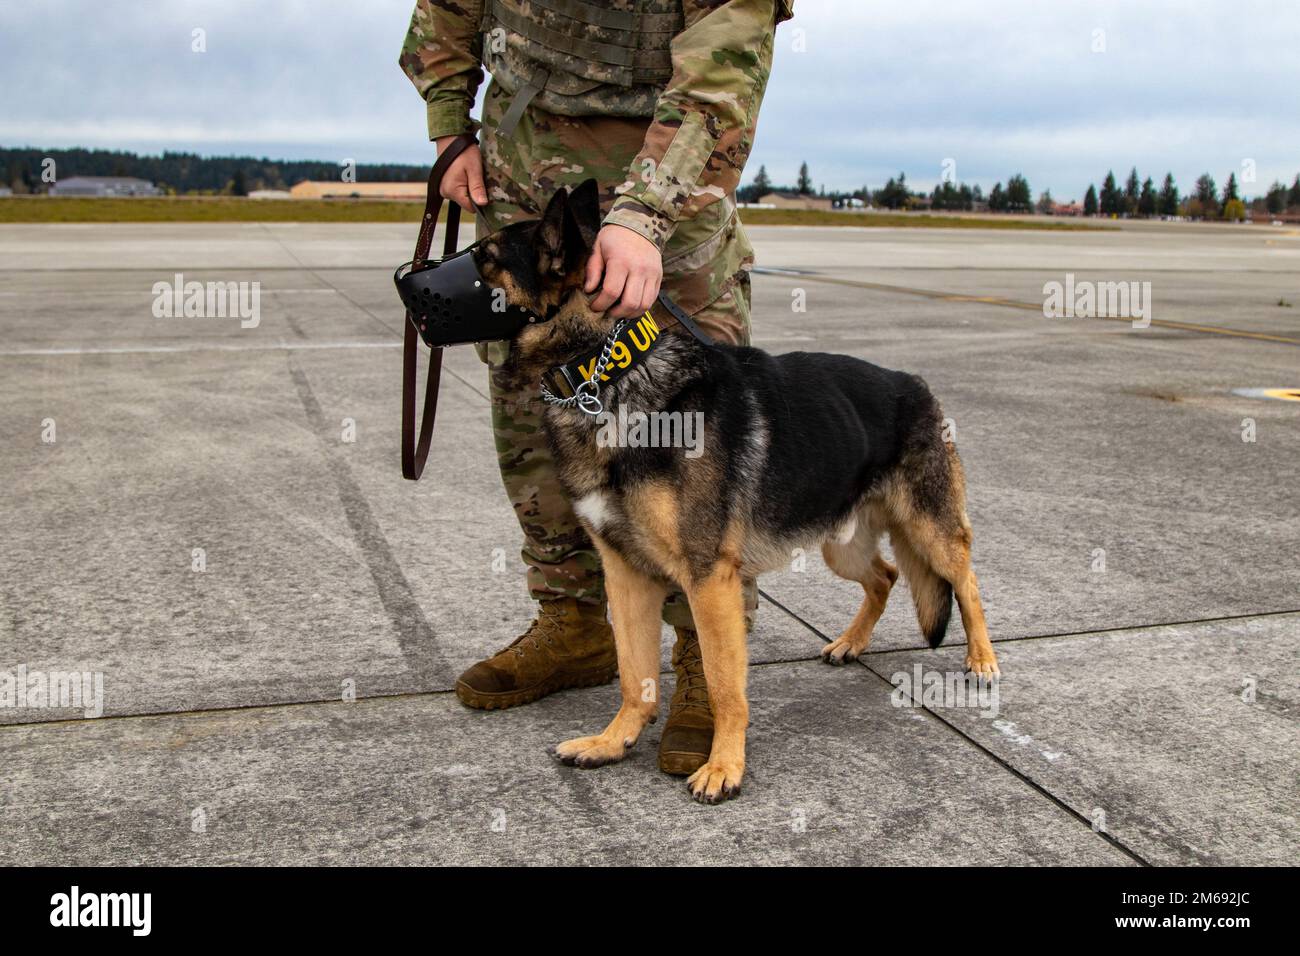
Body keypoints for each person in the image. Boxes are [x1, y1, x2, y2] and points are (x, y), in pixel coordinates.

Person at [401, 0, 793, 776]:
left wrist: (644, 212)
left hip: (665, 206)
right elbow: (445, 11)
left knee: (691, 453)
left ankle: (704, 672)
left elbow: (723, 67)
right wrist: (450, 130)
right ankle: (575, 621)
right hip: (523, 185)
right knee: (537, 416)